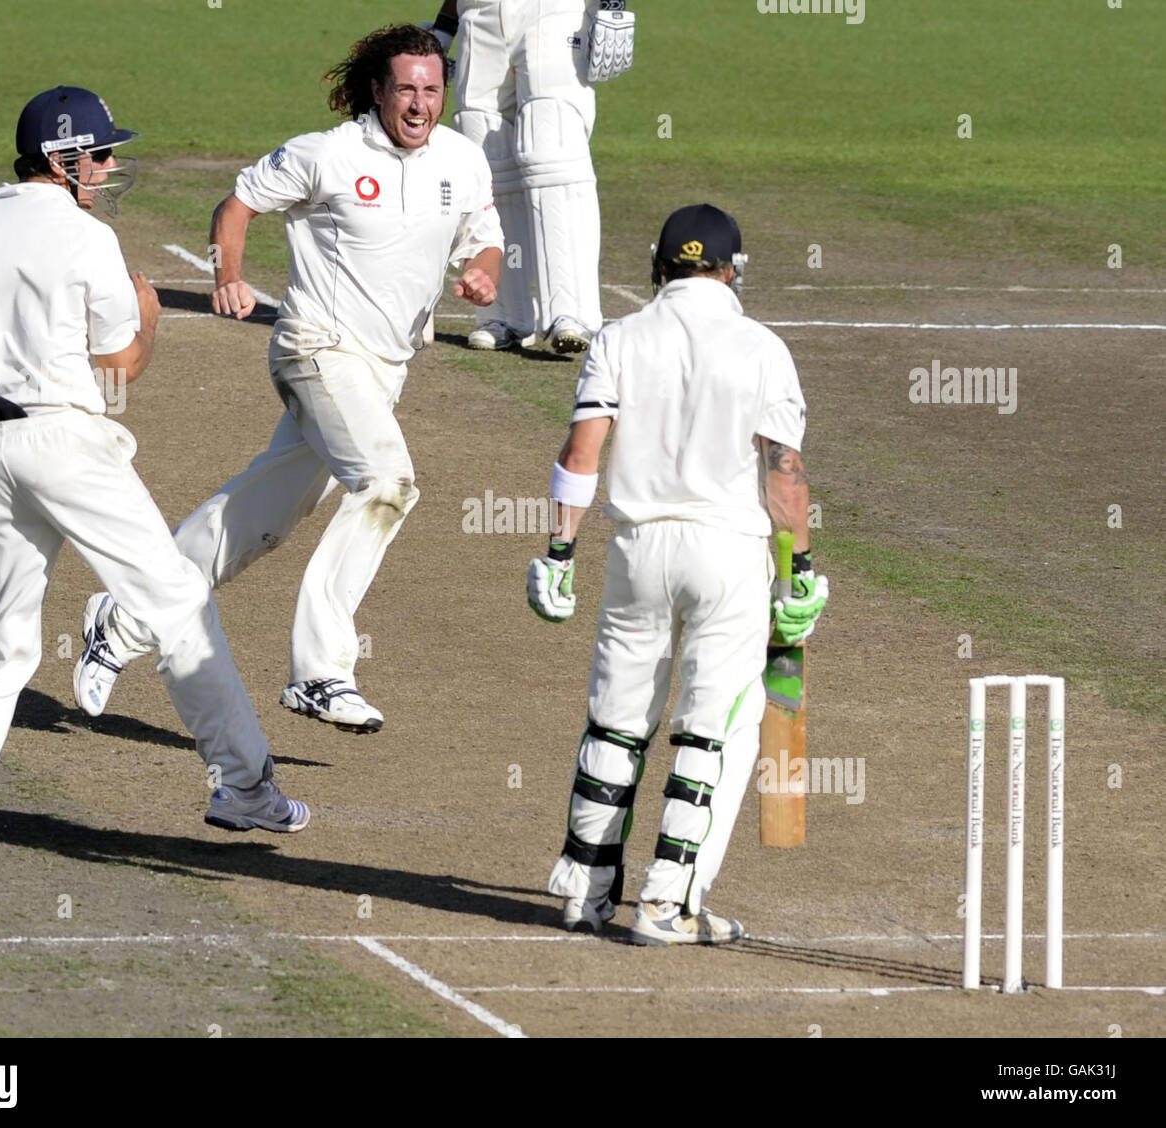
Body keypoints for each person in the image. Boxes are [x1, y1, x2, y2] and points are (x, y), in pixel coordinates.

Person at [0, 86, 309, 857]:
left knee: (5, 641)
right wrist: (147, 326)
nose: (112, 166)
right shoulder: (87, 242)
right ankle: (244, 787)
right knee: (177, 601)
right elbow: (117, 374)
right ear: (63, 159)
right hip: (67, 446)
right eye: (102, 153)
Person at [73, 27, 503, 735]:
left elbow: (481, 234)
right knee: (387, 482)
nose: (420, 103)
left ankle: (121, 619)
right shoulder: (327, 153)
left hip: (383, 371)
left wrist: (484, 267)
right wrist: (229, 276)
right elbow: (237, 206)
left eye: (432, 89)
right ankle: (321, 670)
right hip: (316, 348)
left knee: (260, 518)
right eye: (406, 89)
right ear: (378, 91)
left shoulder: (462, 160)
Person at [526, 204, 830, 943]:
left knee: (617, 722)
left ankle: (588, 892)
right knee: (712, 733)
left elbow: (580, 454)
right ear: (734, 271)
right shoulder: (762, 348)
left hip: (638, 550)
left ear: (659, 266)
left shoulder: (621, 338)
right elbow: (783, 478)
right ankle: (668, 903)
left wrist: (559, 552)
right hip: (727, 554)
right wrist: (801, 575)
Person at [426, 0, 635, 354]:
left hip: (554, 12)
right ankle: (502, 313)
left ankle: (573, 313)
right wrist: (443, 29)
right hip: (480, 14)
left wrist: (612, 5)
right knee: (484, 162)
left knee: (553, 151)